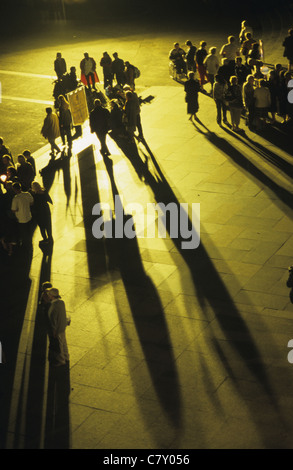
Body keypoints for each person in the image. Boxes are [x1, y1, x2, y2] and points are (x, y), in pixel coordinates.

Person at [46, 288, 70, 367]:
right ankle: (66, 357)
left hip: (58, 330)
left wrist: (54, 333)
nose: (48, 296)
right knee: (64, 343)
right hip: (63, 327)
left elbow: (53, 322)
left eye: (49, 294)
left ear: (52, 296)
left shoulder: (53, 307)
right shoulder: (61, 302)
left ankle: (61, 360)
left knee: (59, 346)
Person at [11, 181, 34, 245]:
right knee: (29, 231)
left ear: (14, 189)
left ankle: (26, 245)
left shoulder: (15, 199)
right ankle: (30, 243)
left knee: (24, 233)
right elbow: (32, 203)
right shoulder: (27, 194)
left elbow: (13, 210)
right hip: (28, 216)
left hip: (21, 218)